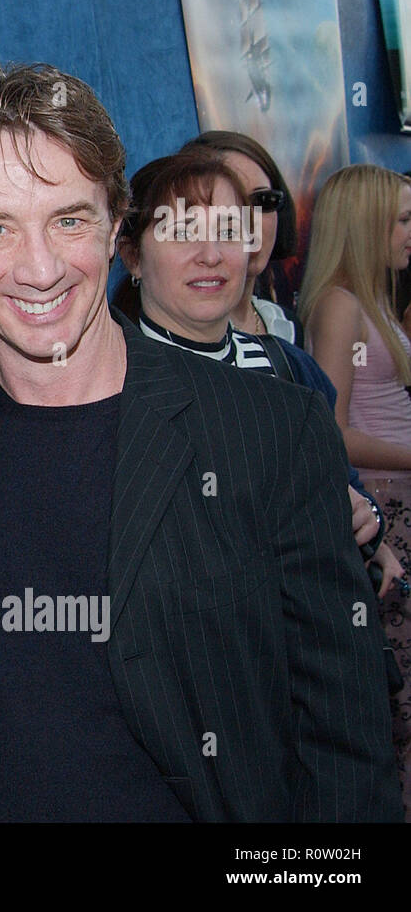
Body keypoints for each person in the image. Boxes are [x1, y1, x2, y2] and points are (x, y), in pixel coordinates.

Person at [0, 55, 401, 822]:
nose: (38, 268)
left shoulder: (269, 431)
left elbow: (345, 742)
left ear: (115, 218)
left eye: (68, 219)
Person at [113, 148, 404, 600]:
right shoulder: (107, 388)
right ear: (132, 256)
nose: (210, 255)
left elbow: (348, 492)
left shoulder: (290, 369)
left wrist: (367, 520)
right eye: (182, 231)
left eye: (228, 230)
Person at [299, 163, 411, 817]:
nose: (409, 232)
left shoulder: (375, 306)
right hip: (385, 514)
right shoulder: (342, 308)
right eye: (400, 218)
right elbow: (333, 433)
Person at [184, 130, 301, 341]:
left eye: (264, 200)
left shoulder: (286, 326)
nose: (249, 221)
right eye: (230, 204)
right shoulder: (170, 339)